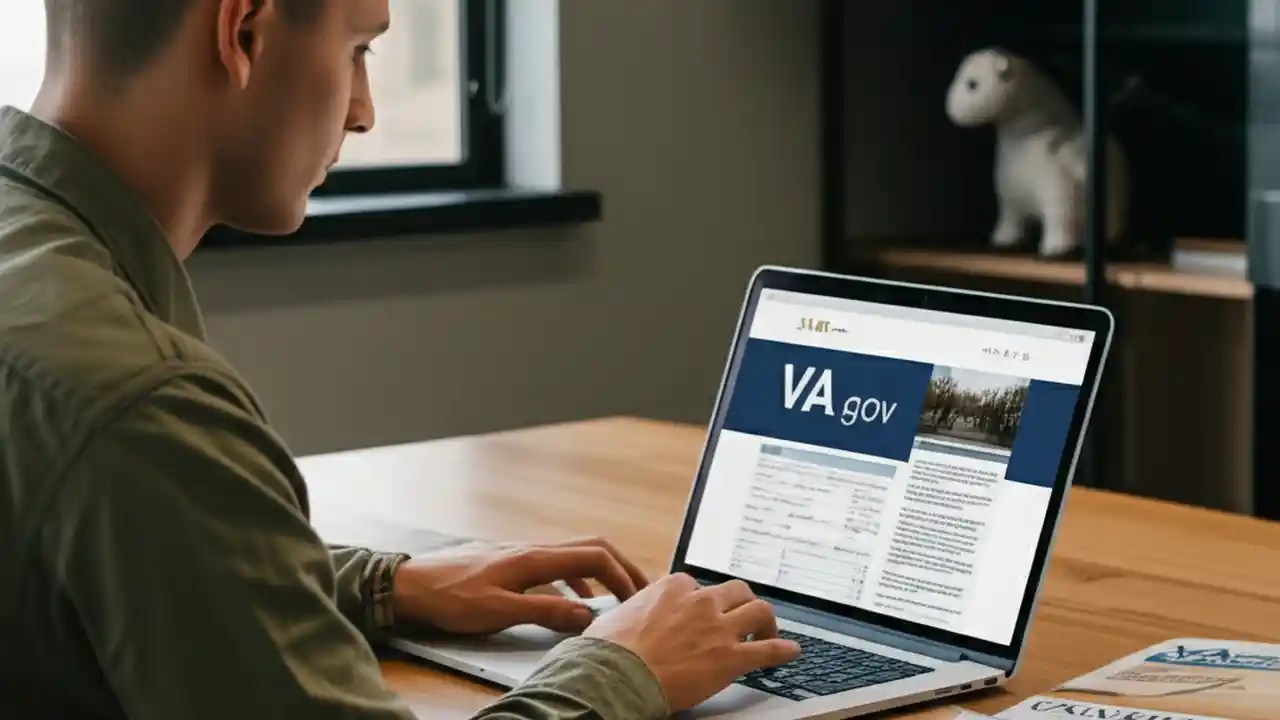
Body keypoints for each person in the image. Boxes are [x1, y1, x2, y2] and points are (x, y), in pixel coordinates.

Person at [0, 1, 801, 718]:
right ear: (241, 31)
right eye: (358, 49)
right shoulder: (147, 406)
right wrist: (626, 669)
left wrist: (384, 588)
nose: (364, 112)